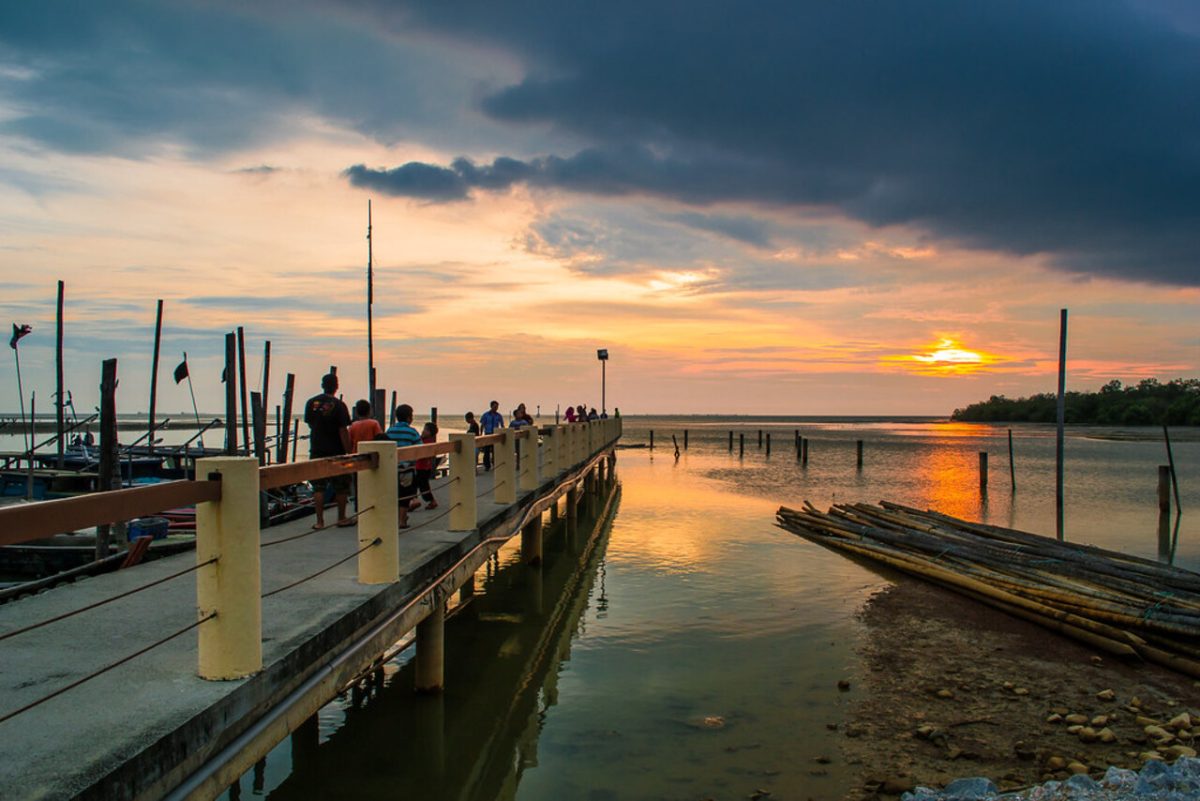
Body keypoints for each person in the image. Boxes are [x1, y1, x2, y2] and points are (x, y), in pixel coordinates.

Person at [304, 373, 352, 529]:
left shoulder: (311, 403)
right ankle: (341, 517)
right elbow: (343, 430)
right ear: (336, 386)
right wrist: (348, 451)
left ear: (322, 385)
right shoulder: (339, 405)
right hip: (336, 450)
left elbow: (311, 424)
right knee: (341, 486)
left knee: (318, 487)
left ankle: (319, 521)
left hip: (317, 448)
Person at [385, 403, 422, 528]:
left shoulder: (390, 430)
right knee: (405, 495)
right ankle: (402, 520)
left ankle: (398, 518)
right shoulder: (412, 432)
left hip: (393, 468)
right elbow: (420, 448)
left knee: (395, 493)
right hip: (407, 469)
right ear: (409, 418)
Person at [414, 421, 439, 509]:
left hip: (422, 467)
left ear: (430, 433)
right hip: (421, 467)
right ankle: (413, 500)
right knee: (418, 485)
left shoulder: (427, 442)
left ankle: (431, 501)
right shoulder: (424, 440)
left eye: (426, 430)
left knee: (423, 486)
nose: (423, 431)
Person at [480, 400, 504, 470]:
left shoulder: (499, 415)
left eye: (497, 407)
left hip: (495, 434)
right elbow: (482, 425)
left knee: (495, 450)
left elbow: (502, 425)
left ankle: (495, 464)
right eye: (495, 407)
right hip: (488, 433)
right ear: (491, 406)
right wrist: (480, 434)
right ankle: (487, 466)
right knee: (486, 451)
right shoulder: (486, 415)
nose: (496, 408)